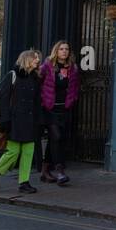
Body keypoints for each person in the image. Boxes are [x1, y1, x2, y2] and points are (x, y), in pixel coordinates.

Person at [0, 49, 44, 194]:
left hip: (30, 121)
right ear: (26, 59)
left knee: (28, 152)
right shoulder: (12, 75)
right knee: (13, 152)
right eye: (35, 58)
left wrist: (39, 121)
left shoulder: (36, 78)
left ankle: (24, 183)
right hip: (14, 120)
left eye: (38, 58)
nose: (38, 60)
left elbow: (37, 102)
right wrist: (5, 120)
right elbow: (3, 99)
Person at [39, 40, 80, 186]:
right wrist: (42, 100)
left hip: (64, 109)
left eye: (67, 49)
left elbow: (75, 87)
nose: (64, 51)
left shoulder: (73, 68)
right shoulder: (48, 66)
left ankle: (44, 171)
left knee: (56, 139)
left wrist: (72, 100)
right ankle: (60, 171)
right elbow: (38, 82)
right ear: (56, 51)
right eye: (61, 49)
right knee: (56, 136)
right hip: (50, 109)